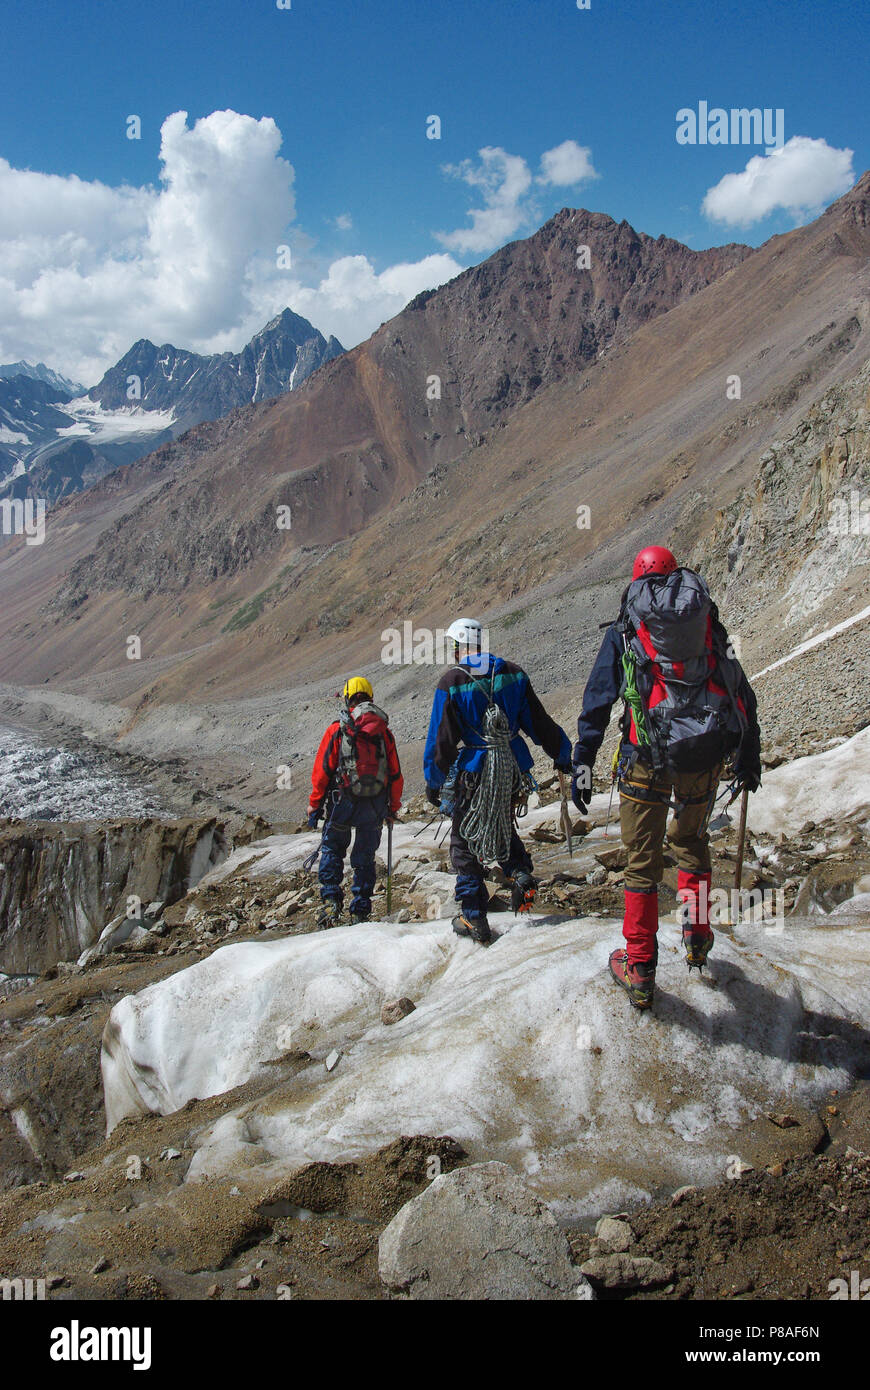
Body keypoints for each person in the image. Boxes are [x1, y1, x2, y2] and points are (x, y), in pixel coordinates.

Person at [572, 546, 761, 1010]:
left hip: (645, 756)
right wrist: (748, 747)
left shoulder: (630, 623)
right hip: (703, 752)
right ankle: (697, 937)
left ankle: (639, 968)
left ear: (637, 578)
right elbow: (736, 680)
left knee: (642, 860)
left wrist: (583, 759)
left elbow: (599, 694)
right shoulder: (704, 621)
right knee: (693, 843)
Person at [424, 617, 573, 946]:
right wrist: (562, 753)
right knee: (502, 825)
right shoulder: (513, 673)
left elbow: (442, 740)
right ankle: (521, 875)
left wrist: (433, 781)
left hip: (474, 772)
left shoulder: (452, 680)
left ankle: (473, 915)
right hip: (510, 770)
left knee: (465, 841)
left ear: (458, 646)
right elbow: (538, 721)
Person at [307, 676, 403, 927]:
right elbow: (394, 774)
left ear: (348, 698)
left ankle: (331, 903)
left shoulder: (337, 729)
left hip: (342, 802)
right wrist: (393, 807)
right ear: (371, 698)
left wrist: (314, 805)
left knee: (332, 850)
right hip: (374, 804)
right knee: (364, 857)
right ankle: (360, 909)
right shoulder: (384, 732)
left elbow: (322, 771)